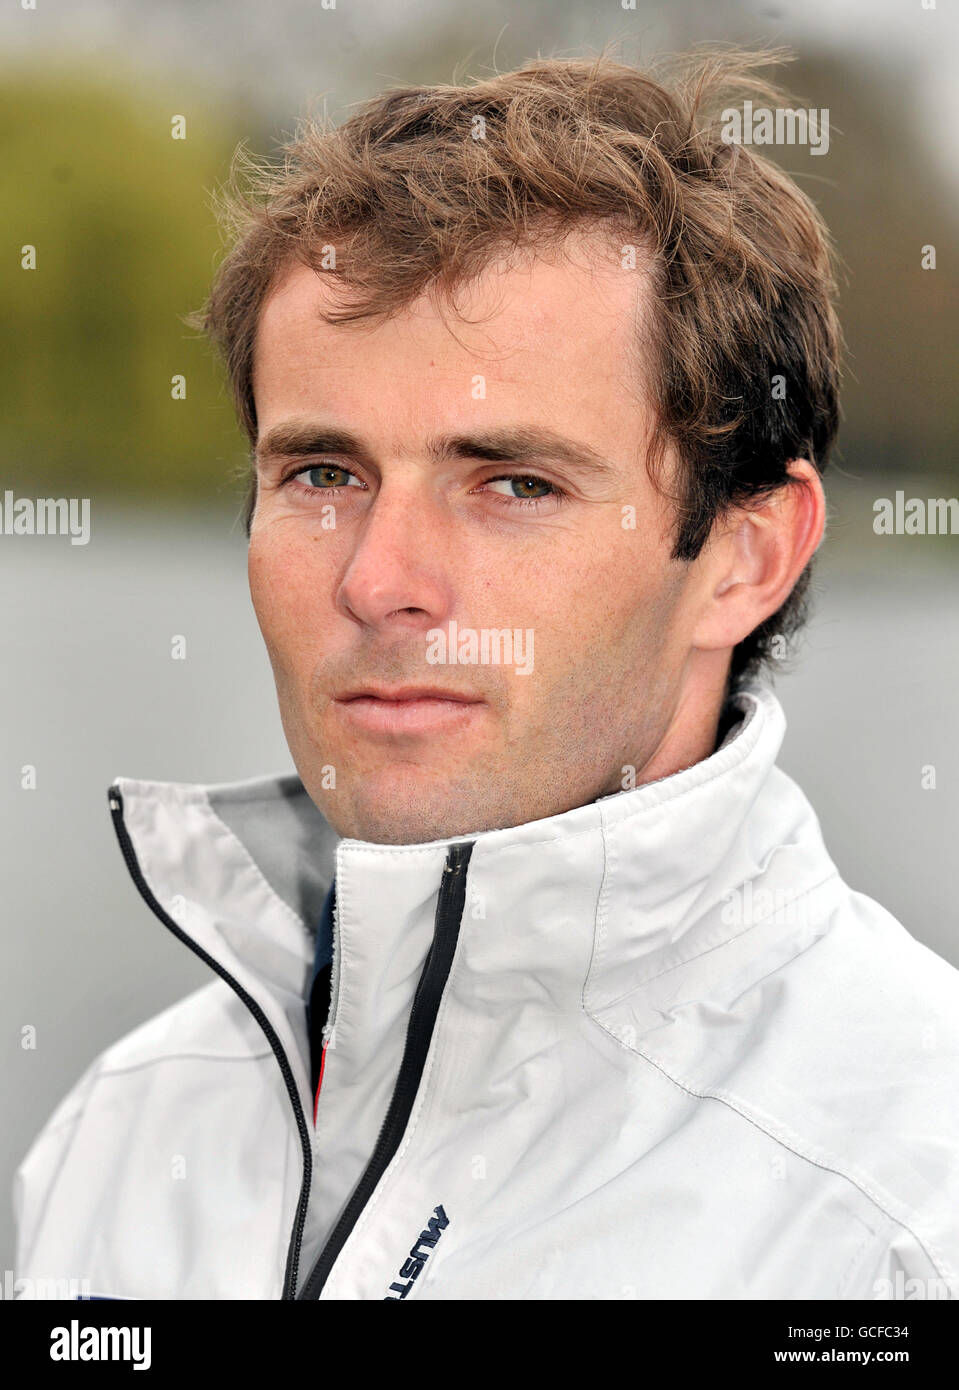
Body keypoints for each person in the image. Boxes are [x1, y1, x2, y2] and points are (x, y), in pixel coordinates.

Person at [13, 48, 959, 1301]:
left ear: (745, 554)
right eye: (322, 476)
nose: (378, 580)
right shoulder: (122, 1136)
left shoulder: (903, 1213)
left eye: (514, 484)